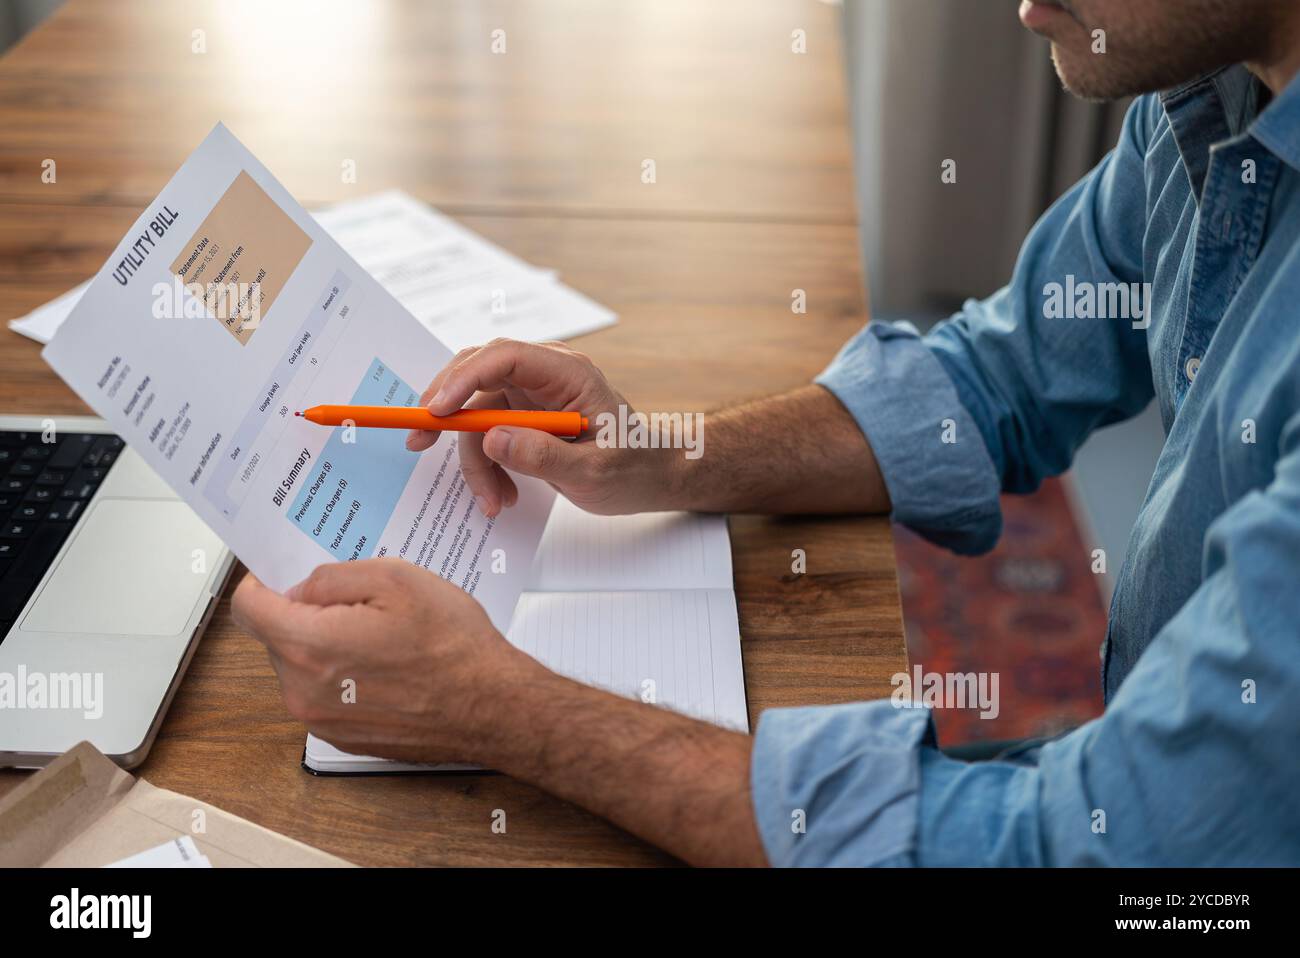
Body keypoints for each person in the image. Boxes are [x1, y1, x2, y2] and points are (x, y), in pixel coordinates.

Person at [232, 0, 1300, 866]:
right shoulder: (1207, 91)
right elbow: (995, 376)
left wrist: (497, 708)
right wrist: (662, 452)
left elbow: (1086, 847)